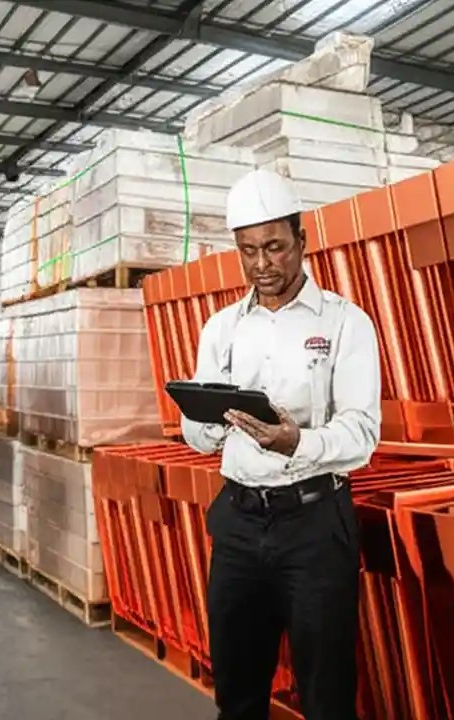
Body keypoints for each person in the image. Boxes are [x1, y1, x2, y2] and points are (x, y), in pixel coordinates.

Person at [181, 168, 382, 720]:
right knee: (239, 691)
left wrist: (298, 442)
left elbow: (363, 434)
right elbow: (198, 441)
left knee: (326, 692)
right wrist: (208, 419)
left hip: (315, 528)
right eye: (248, 251)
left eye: (274, 247)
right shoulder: (220, 329)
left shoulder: (346, 324)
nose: (262, 265)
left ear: (301, 240)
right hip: (240, 525)